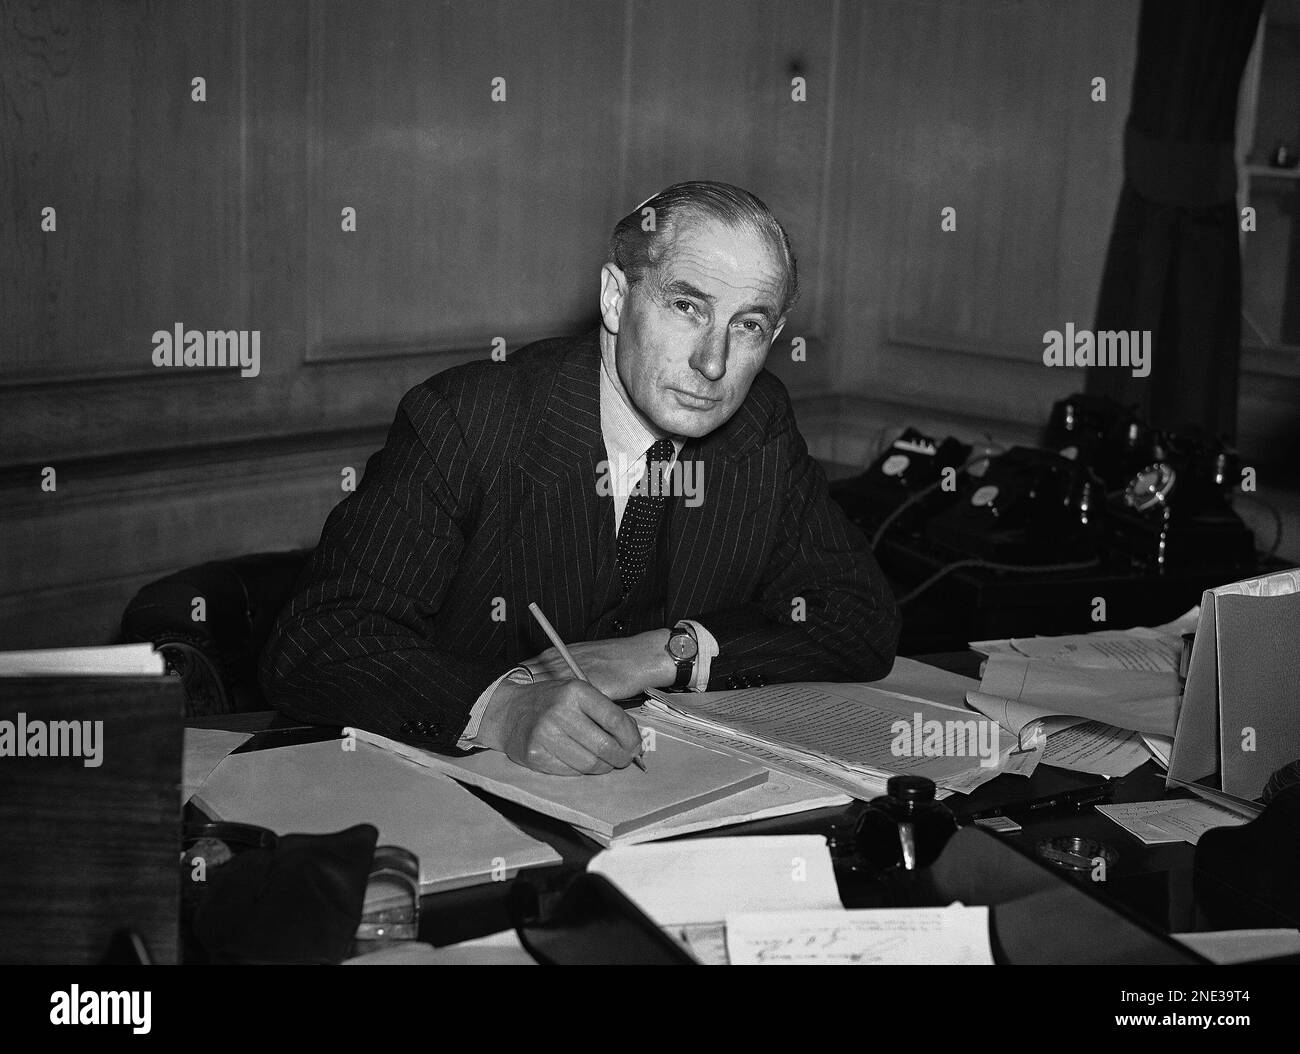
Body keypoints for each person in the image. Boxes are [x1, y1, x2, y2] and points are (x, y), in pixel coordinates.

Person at [259, 181, 900, 775]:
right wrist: (501, 712)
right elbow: (320, 641)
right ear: (616, 298)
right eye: (686, 306)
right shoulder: (468, 420)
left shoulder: (759, 422)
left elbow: (858, 616)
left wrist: (666, 653)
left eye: (749, 325)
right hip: (472, 802)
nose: (714, 362)